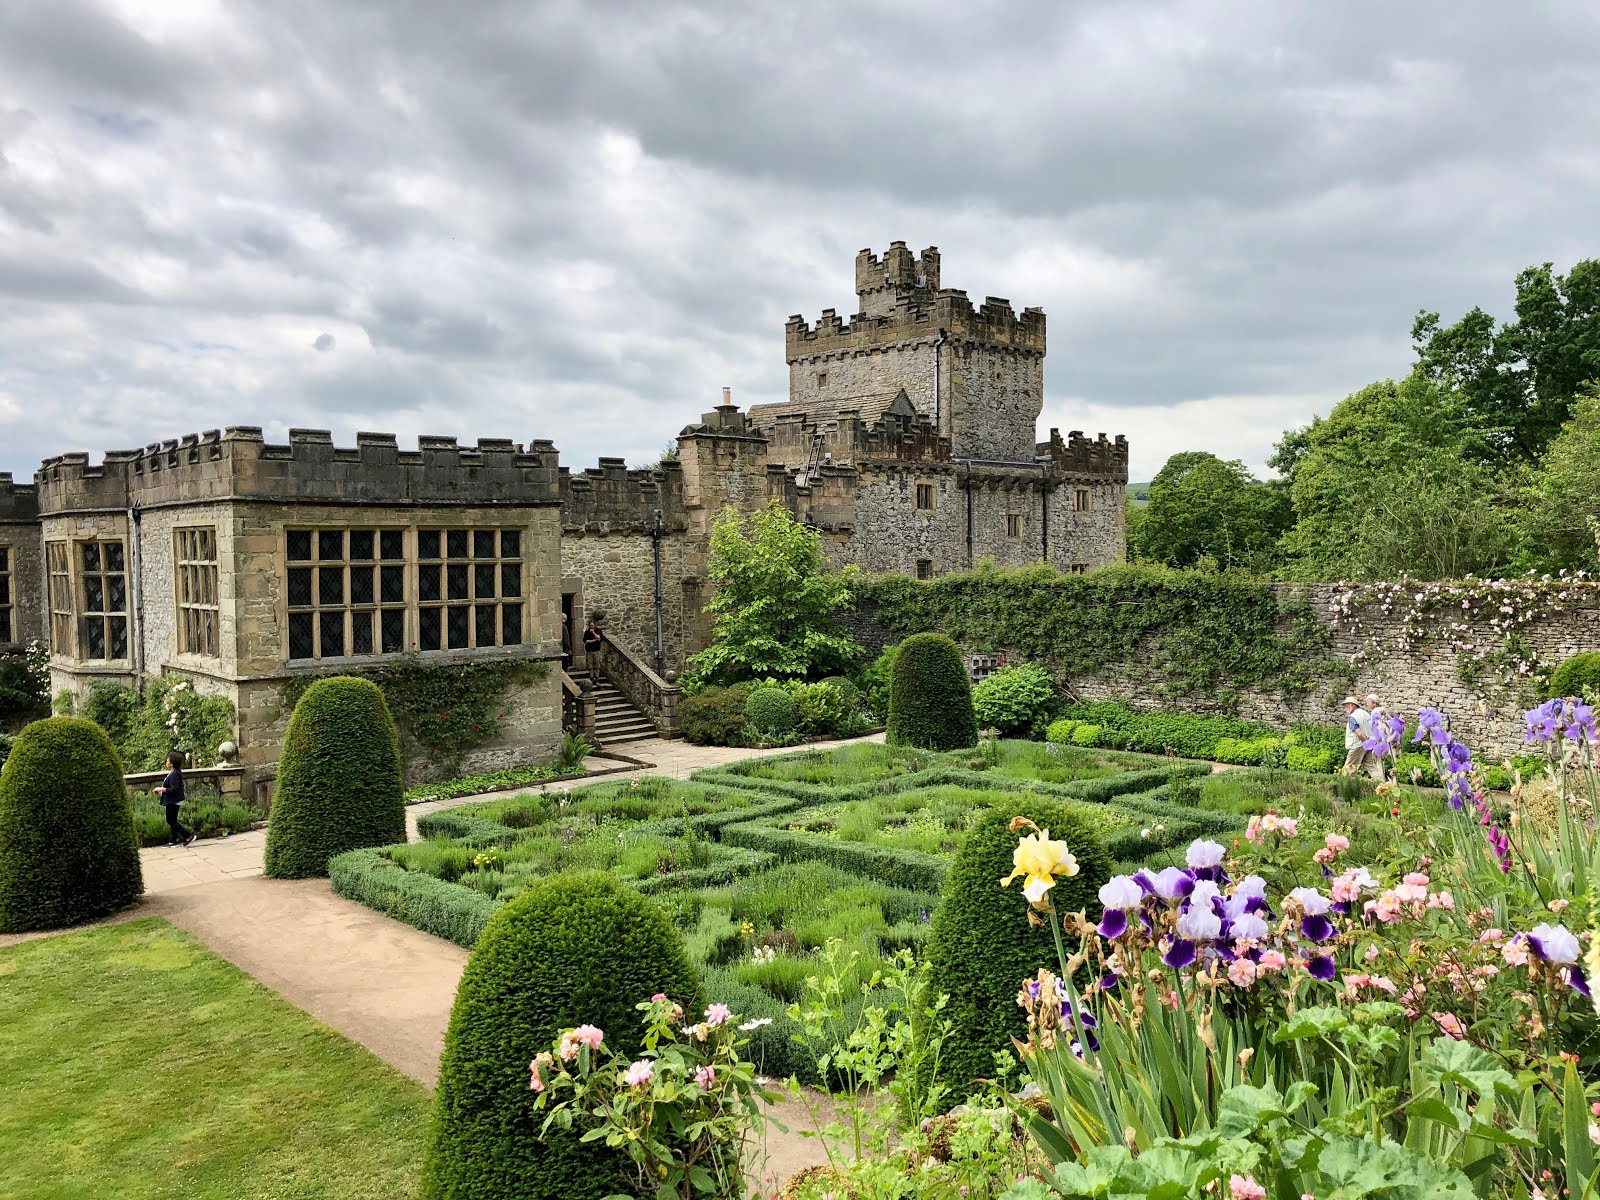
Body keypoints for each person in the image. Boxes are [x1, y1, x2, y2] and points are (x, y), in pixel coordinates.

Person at [153, 751, 195, 847]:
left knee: (170, 820)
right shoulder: (174, 773)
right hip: (174, 800)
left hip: (174, 800)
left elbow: (174, 789)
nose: (166, 762)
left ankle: (188, 835)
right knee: (173, 820)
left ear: (171, 763)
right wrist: (162, 791)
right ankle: (173, 840)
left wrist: (161, 789)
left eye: (168, 761)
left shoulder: (174, 774)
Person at [1340, 695, 1373, 778]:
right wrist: (1369, 744)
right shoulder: (1366, 714)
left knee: (1348, 769)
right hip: (1369, 743)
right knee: (1372, 767)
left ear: (1353, 705)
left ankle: (1345, 787)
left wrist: (1365, 742)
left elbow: (1359, 733)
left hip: (1357, 745)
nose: (1345, 708)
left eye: (1347, 705)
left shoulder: (1353, 717)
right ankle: (1382, 784)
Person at [582, 618, 604, 683]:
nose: (591, 627)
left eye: (592, 625)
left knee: (597, 664)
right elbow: (585, 641)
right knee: (590, 665)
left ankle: (597, 678)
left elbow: (599, 639)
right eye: (590, 625)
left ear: (595, 625)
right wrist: (594, 640)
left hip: (596, 650)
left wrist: (593, 633)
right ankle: (591, 677)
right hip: (589, 650)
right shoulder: (587, 632)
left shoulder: (598, 631)